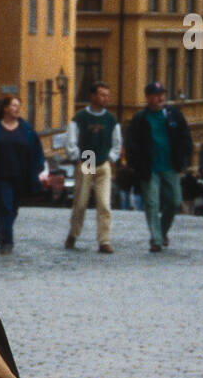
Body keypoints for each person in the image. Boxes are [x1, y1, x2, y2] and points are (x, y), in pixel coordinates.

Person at [123, 81, 194, 252]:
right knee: (152, 203)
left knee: (175, 201)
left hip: (170, 166)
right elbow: (131, 144)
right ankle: (156, 239)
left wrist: (184, 158)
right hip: (149, 168)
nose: (161, 97)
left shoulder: (173, 114)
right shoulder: (140, 118)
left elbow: (185, 137)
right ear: (148, 98)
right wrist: (136, 164)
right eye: (156, 94)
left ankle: (162, 232)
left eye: (162, 94)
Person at [64, 81, 121, 254]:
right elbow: (71, 140)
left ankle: (104, 240)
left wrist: (111, 158)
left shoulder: (110, 119)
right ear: (93, 96)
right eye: (102, 94)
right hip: (87, 159)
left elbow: (117, 142)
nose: (105, 98)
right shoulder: (80, 117)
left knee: (104, 204)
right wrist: (76, 156)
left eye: (107, 95)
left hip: (103, 162)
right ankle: (73, 233)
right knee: (81, 202)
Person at [0, 93, 46, 255]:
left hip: (21, 175)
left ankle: (3, 230)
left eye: (18, 105)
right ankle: (7, 242)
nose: (17, 108)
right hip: (0, 176)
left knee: (13, 209)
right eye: (13, 105)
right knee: (5, 207)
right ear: (5, 108)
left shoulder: (26, 128)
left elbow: (36, 149)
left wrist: (39, 167)